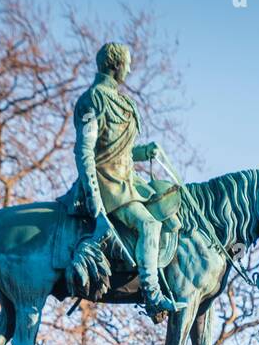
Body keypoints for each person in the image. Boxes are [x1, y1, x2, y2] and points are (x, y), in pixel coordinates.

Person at [70, 43, 182, 316]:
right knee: (148, 225)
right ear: (115, 65)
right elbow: (86, 151)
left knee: (172, 216)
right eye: (127, 64)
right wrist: (93, 197)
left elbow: (118, 151)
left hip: (128, 180)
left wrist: (144, 152)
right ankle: (152, 294)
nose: (130, 69)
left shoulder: (123, 101)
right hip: (108, 183)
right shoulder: (93, 99)